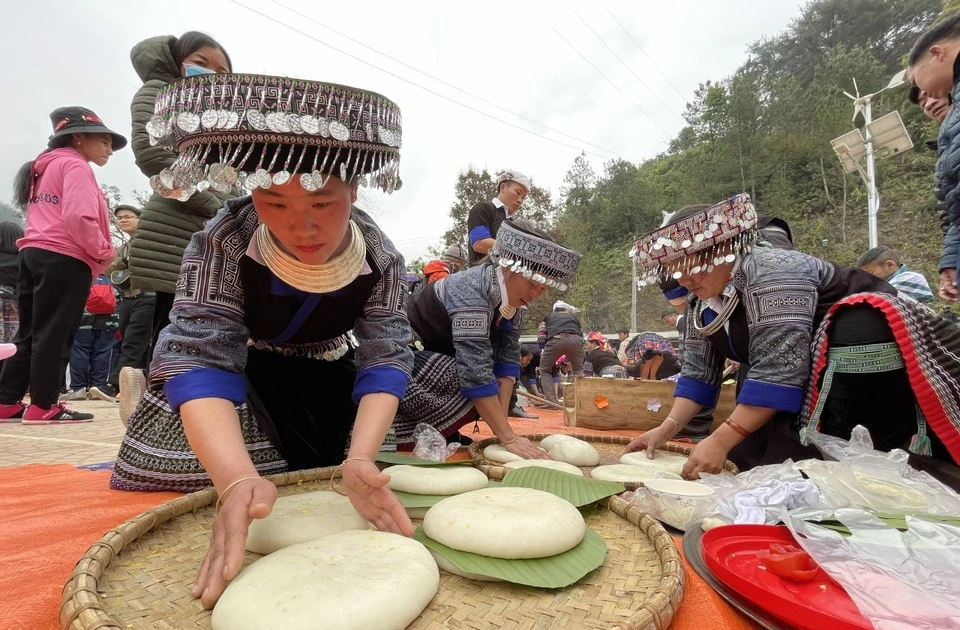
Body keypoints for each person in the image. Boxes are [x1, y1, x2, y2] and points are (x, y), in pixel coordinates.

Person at [109, 73, 461, 608]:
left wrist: (362, 458)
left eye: (321, 203)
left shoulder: (381, 256)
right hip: (245, 368)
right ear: (251, 191)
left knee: (403, 409)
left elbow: (386, 354)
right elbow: (203, 355)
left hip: (330, 364)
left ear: (354, 190)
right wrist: (234, 481)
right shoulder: (224, 239)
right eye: (274, 204)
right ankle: (151, 394)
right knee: (197, 462)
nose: (301, 228)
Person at [627, 194, 960, 485]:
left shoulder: (772, 270)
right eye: (677, 269)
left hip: (857, 356)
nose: (685, 279)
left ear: (727, 249)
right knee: (750, 456)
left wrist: (720, 441)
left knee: (822, 472)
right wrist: (665, 430)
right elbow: (698, 373)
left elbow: (779, 371)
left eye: (694, 264)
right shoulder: (701, 302)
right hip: (794, 367)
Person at [407, 219, 581, 453]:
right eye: (531, 284)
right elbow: (474, 370)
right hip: (409, 358)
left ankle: (445, 430)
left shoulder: (515, 304)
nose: (535, 295)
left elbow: (507, 359)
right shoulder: (472, 290)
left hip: (444, 353)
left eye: (542, 289)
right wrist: (508, 437)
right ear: (508, 268)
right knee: (466, 376)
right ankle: (411, 430)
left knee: (490, 380)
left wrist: (502, 429)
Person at [0, 107, 125, 424]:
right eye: (105, 141)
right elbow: (78, 215)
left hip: (33, 252)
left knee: (29, 332)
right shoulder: (75, 165)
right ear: (79, 137)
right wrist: (104, 251)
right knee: (56, 332)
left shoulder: (44, 166)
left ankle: (6, 400)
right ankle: (44, 405)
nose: (110, 149)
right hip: (64, 256)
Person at [126, 32, 234, 350]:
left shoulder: (212, 113)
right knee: (175, 334)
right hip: (175, 231)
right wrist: (215, 206)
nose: (211, 74)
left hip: (208, 229)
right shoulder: (161, 92)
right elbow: (153, 155)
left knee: (204, 335)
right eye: (200, 63)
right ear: (177, 62)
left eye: (222, 72)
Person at [908, 17, 960, 303]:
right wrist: (951, 259)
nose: (929, 101)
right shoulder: (948, 135)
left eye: (926, 92)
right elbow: (953, 209)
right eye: (923, 101)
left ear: (938, 54)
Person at [88, 206, 155, 415]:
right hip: (127, 298)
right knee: (134, 343)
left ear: (141, 219)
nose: (123, 220)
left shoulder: (151, 242)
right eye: (119, 218)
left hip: (149, 296)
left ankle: (113, 385)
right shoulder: (123, 248)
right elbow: (111, 270)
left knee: (133, 342)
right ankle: (141, 389)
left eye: (128, 217)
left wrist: (125, 266)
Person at [62, 275, 119, 401]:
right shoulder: (111, 280)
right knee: (104, 353)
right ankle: (98, 388)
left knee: (78, 352)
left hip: (81, 321)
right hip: (108, 322)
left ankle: (77, 388)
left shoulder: (79, 276)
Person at [467, 170, 531, 266]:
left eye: (523, 197)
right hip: (482, 272)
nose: (520, 200)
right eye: (518, 192)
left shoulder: (514, 222)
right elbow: (479, 243)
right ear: (503, 187)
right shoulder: (483, 209)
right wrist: (519, 251)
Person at [537, 301, 585, 403]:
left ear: (555, 310)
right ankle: (578, 402)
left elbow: (541, 334)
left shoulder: (549, 316)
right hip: (576, 340)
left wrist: (543, 348)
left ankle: (551, 402)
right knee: (578, 370)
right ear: (566, 310)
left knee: (545, 370)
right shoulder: (574, 317)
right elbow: (580, 332)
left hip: (556, 339)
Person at [857, 246, 934, 304]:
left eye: (870, 273)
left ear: (890, 265)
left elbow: (879, 299)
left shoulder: (910, 277)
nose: (866, 279)